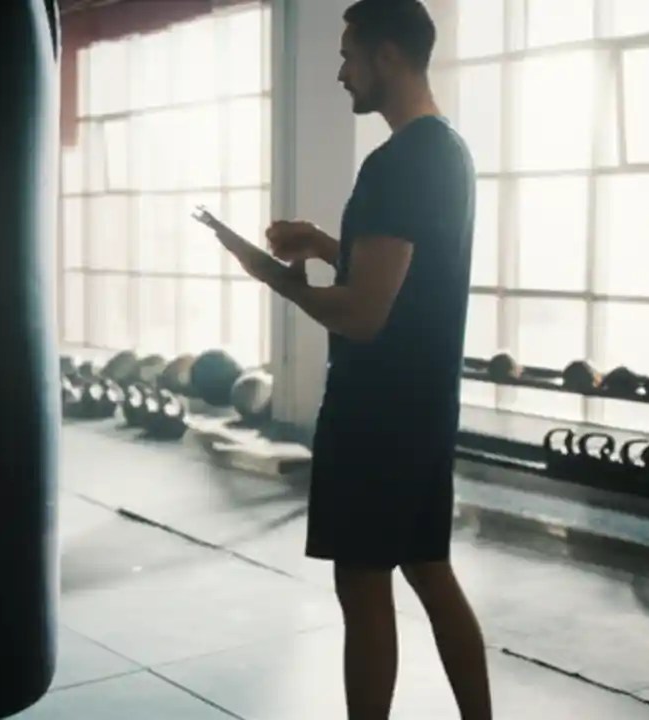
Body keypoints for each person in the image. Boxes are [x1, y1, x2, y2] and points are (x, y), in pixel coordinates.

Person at [214, 2, 492, 718]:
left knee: (363, 589)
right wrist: (323, 246)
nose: (341, 73)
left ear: (387, 57)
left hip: (375, 416)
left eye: (349, 56)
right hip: (424, 411)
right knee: (431, 573)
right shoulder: (448, 152)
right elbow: (407, 279)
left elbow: (365, 316)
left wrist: (276, 277)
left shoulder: (396, 164)